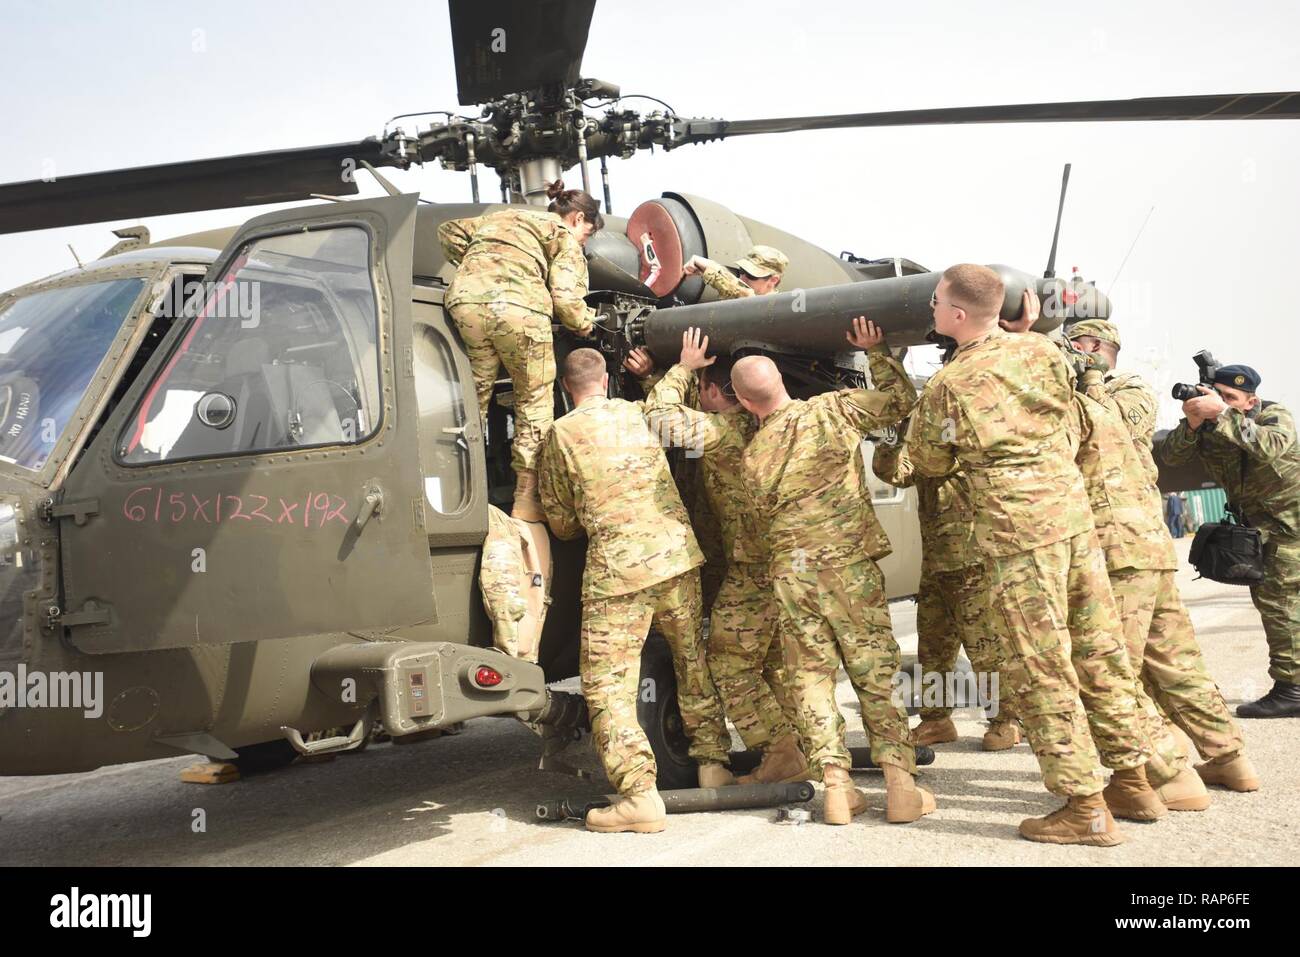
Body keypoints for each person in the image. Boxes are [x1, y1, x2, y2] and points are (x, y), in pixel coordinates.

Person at [906, 265, 1154, 846]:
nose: (934, 312)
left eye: (938, 303)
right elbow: (1076, 401)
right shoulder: (1045, 353)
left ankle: (1083, 806)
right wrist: (1026, 329)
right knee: (1100, 650)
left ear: (957, 315)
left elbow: (930, 462)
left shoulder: (949, 384)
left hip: (1016, 534)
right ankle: (1133, 778)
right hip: (1073, 518)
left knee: (1039, 665)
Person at [735, 317, 936, 825]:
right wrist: (876, 351)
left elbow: (758, 523)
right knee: (875, 673)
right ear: (781, 380)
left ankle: (836, 789)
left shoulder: (752, 457)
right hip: (847, 568)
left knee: (809, 679)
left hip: (791, 577)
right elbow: (898, 401)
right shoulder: (832, 410)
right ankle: (899, 786)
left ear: (743, 403)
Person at [536, 348, 733, 833]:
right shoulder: (640, 414)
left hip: (618, 574)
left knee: (609, 686)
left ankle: (639, 795)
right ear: (605, 381)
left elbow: (561, 524)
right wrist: (682, 366)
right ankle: (714, 765)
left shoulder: (560, 434)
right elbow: (669, 405)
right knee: (692, 661)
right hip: (677, 558)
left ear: (566, 388)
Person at [1066, 319, 1259, 794]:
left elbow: (1106, 425)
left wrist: (1086, 372)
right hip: (1139, 546)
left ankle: (1166, 773)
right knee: (1172, 662)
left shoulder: (1129, 389)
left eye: (1073, 345)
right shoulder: (1082, 393)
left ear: (1094, 347)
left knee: (1114, 666)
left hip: (1119, 548)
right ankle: (1228, 758)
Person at [644, 329, 806, 785]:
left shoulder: (722, 430)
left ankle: (779, 747)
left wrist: (683, 368)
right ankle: (805, 744)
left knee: (728, 662)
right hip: (791, 563)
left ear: (715, 392)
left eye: (702, 390)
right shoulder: (785, 420)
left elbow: (658, 418)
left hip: (753, 569)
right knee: (773, 663)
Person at [437, 182, 602, 521]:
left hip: (466, 302)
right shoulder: (562, 234)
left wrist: (478, 266)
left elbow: (448, 231)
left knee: (473, 397)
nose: (584, 240)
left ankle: (451, 489)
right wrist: (585, 324)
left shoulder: (503, 217)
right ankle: (527, 501)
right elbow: (567, 300)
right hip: (518, 310)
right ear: (577, 219)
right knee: (534, 400)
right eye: (587, 233)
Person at [1158, 363, 1300, 718]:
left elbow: (1271, 448)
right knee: (1280, 605)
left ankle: (1292, 691)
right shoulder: (1207, 426)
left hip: (1289, 526)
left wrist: (1221, 414)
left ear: (1251, 401)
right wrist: (1191, 424)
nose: (1220, 402)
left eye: (1230, 397)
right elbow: (1170, 458)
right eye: (1216, 394)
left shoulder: (1272, 416)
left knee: (1281, 608)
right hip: (1265, 529)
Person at [872, 424, 1021, 752]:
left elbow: (932, 461)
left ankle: (1005, 720)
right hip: (936, 563)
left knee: (985, 647)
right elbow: (889, 472)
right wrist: (892, 432)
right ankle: (936, 719)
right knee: (933, 649)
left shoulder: (965, 439)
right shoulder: (924, 446)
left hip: (971, 560)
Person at [682, 244, 788, 300]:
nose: (742, 278)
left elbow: (743, 294)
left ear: (774, 280)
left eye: (751, 275)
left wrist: (711, 268)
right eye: (742, 270)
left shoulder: (776, 309)